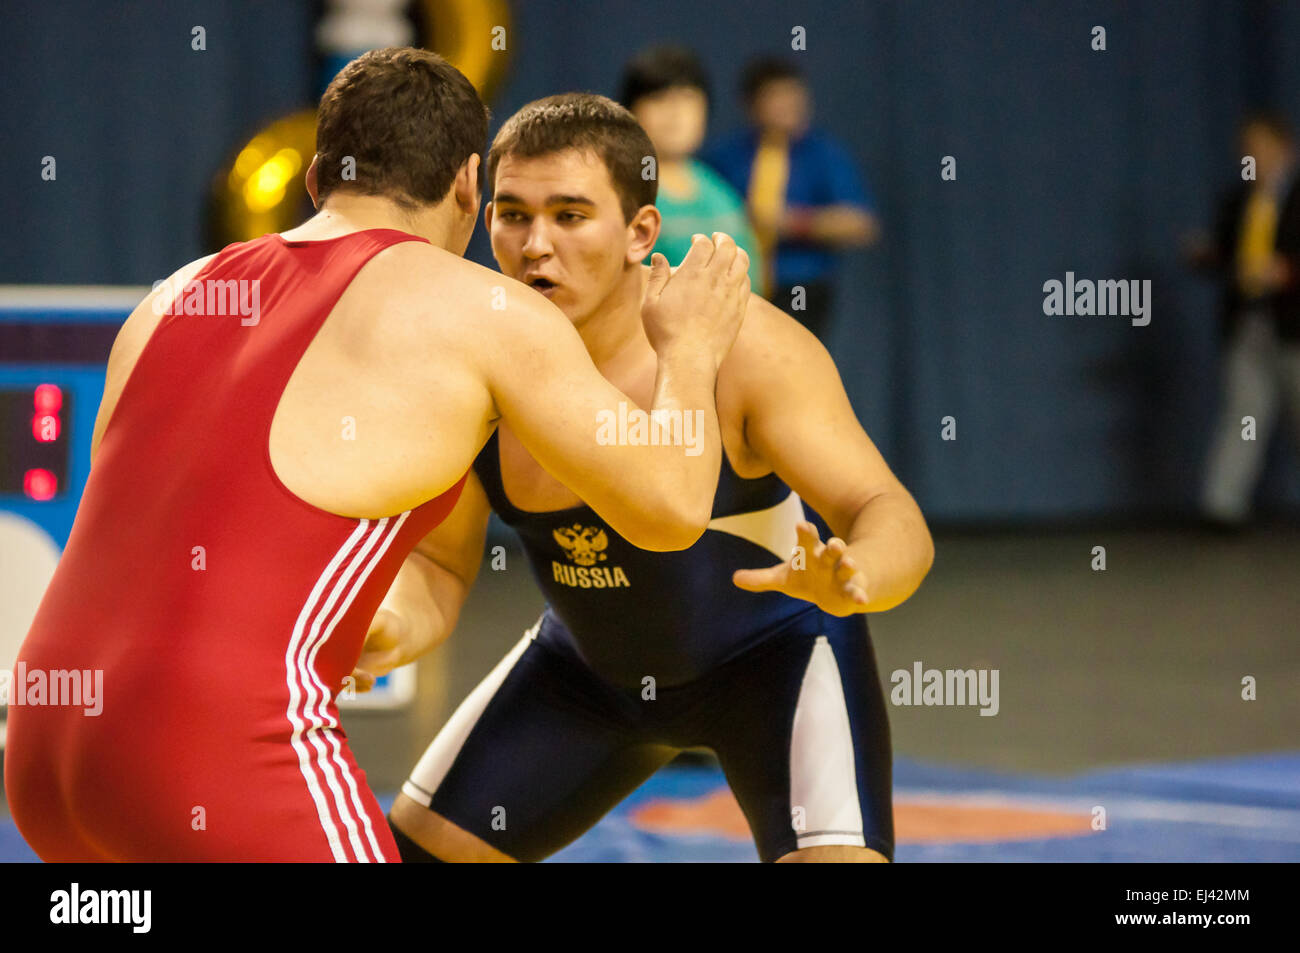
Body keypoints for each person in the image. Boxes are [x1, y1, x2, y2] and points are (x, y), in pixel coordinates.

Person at [3, 49, 750, 862]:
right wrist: (692, 350)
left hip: (43, 754)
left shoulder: (177, 291)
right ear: (471, 185)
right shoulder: (484, 311)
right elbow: (674, 510)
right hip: (215, 758)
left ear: (318, 177)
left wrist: (381, 620)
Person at [377, 93, 933, 864]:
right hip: (585, 676)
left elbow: (886, 509)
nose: (536, 245)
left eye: (571, 216)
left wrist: (859, 574)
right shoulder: (471, 369)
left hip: (775, 665)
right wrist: (373, 631)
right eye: (513, 214)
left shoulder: (746, 349)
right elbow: (436, 562)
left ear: (641, 231)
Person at [703, 56, 879, 341]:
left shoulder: (824, 154)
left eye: (794, 96)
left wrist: (794, 222)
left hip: (802, 287)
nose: (789, 106)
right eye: (776, 98)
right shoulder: (726, 156)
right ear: (751, 104)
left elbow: (860, 224)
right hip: (738, 284)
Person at [1191, 113, 1300, 527]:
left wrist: (1286, 273)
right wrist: (1207, 255)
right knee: (1244, 416)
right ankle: (1223, 509)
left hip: (1295, 327)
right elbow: (1227, 256)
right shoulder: (1237, 202)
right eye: (1246, 147)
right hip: (1250, 326)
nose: (1250, 155)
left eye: (1259, 145)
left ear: (1284, 148)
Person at [619, 45, 763, 285]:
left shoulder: (719, 189)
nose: (675, 113)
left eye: (687, 99)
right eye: (659, 99)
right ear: (630, 111)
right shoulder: (623, 190)